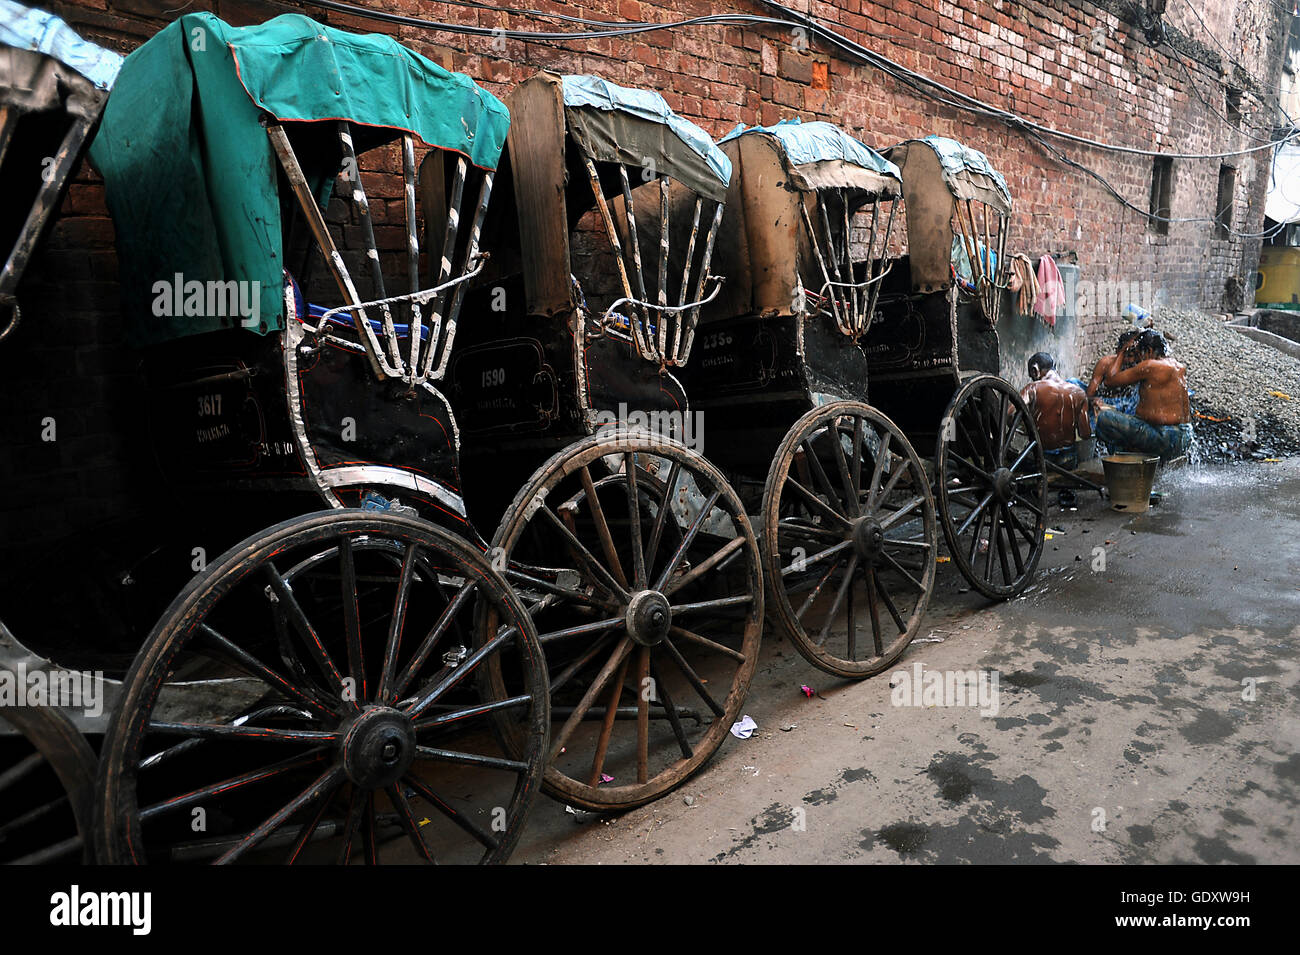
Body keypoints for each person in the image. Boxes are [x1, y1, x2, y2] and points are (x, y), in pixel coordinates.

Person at [1094, 329, 1193, 462]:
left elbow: (1110, 381)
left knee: (1104, 418)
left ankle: (1126, 463)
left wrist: (1122, 351)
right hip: (1185, 435)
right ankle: (1140, 459)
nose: (1137, 359)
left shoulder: (1150, 365)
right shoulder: (1179, 366)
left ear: (1149, 351)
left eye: (1139, 353)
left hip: (1164, 437)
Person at [1021, 352, 1091, 469]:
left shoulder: (1033, 388)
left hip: (1042, 458)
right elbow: (1086, 434)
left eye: (1031, 375)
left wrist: (1026, 427)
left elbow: (1009, 414)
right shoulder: (1079, 393)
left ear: (1035, 370)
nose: (1032, 379)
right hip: (1068, 459)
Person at [1087, 329, 1142, 417]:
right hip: (1104, 404)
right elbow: (1090, 393)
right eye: (1128, 355)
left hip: (1126, 407)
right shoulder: (1105, 363)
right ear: (1118, 352)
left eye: (1135, 355)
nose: (1131, 360)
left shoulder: (1138, 367)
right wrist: (1094, 400)